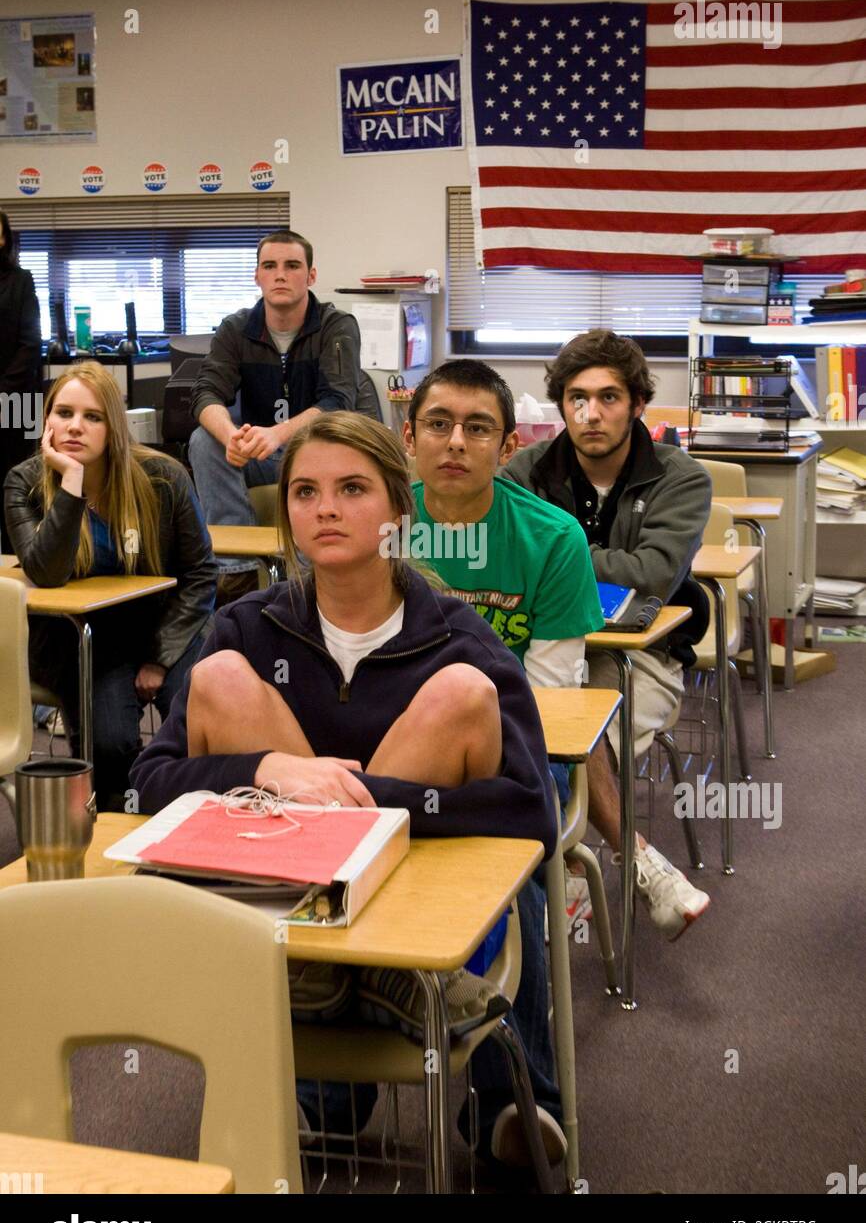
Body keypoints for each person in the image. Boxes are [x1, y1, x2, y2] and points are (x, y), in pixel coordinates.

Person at [131, 411, 566, 1170]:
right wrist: (266, 771)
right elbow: (148, 784)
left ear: (399, 515)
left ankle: (495, 1093)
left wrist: (372, 803)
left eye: (352, 489)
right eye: (304, 491)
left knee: (460, 694)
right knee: (221, 680)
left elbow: (532, 811)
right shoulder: (245, 629)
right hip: (284, 892)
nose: (325, 508)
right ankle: (342, 1025)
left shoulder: (459, 638)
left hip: (419, 889)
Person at [503, 329, 713, 940]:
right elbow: (503, 556)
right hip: (539, 644)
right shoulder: (526, 469)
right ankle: (630, 858)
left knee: (564, 732)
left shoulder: (681, 477)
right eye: (575, 398)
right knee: (536, 723)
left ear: (638, 403)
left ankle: (570, 865)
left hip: (639, 657)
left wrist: (558, 552)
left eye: (609, 398)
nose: (590, 414)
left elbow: (650, 575)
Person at [404, 358, 604, 928]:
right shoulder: (381, 521)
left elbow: (549, 693)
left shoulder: (554, 539)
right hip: (395, 730)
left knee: (508, 854)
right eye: (439, 425)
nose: (456, 443)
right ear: (410, 437)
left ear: (509, 445)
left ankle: (513, 1009)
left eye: (479, 428)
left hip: (516, 736)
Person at [3, 361, 216, 810]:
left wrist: (158, 660)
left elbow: (200, 574)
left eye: (92, 417)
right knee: (110, 744)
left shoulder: (164, 479)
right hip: (87, 642)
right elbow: (46, 572)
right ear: (47, 421)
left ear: (113, 426)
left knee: (196, 718)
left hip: (169, 626)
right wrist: (71, 485)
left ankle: (194, 813)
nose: (75, 427)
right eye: (63, 413)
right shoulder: (24, 483)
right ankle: (129, 819)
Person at [188, 228, 372, 602]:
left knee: (328, 442)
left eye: (292, 265)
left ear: (311, 275)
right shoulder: (235, 329)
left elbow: (339, 401)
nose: (280, 275)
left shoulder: (336, 326)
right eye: (269, 266)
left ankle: (308, 576)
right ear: (257, 275)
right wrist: (230, 436)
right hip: (258, 454)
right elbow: (205, 394)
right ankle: (235, 573)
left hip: (314, 454)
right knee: (202, 439)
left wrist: (278, 433)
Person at [0, 209, 42, 553]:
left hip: (19, 397)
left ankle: (22, 556)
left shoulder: (22, 280)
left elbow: (31, 344)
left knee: (21, 479)